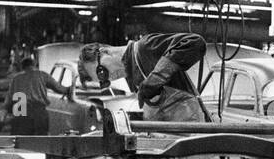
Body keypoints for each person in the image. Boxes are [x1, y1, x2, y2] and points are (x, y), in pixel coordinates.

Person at [78, 33, 207, 122]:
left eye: (102, 73)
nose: (110, 78)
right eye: (104, 81)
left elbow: (195, 42)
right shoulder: (132, 78)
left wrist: (157, 78)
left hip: (192, 132)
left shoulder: (145, 48)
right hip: (172, 138)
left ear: (105, 51)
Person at [5, 57, 69, 134]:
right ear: (34, 65)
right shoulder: (42, 75)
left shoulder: (16, 79)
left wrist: (7, 114)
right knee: (40, 141)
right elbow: (60, 89)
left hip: (20, 112)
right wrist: (70, 89)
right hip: (38, 112)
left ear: (22, 67)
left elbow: (9, 101)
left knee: (20, 141)